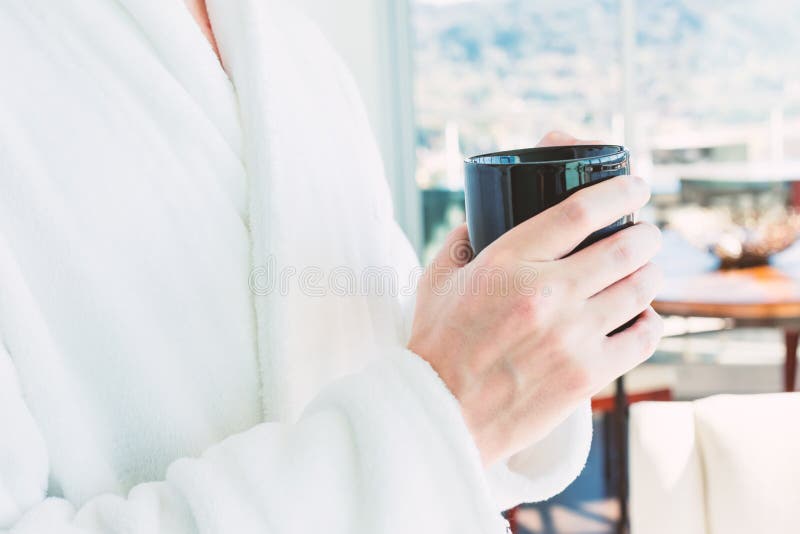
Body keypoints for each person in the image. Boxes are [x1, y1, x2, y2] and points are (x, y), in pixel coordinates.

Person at [0, 0, 663, 532]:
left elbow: (382, 377)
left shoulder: (290, 46)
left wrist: (477, 341)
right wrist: (445, 417)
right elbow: (425, 417)